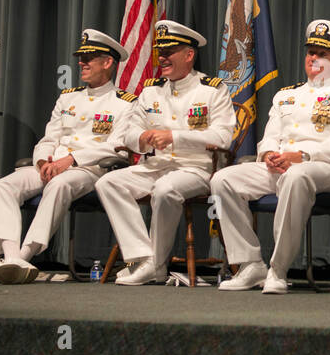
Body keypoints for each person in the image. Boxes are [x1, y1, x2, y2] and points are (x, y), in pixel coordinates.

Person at [211, 20, 330, 294]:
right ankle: (250, 264)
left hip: (325, 170)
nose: (314, 59)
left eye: (323, 54)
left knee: (297, 175)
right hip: (279, 167)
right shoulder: (286, 96)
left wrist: (303, 155)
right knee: (222, 179)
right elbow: (271, 135)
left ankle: (278, 269)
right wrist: (269, 153)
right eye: (311, 53)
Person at [0, 29, 136, 284]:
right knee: (2, 186)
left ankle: (25, 255)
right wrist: (43, 161)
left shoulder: (125, 103)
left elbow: (115, 147)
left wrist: (71, 160)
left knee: (59, 183)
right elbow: (48, 139)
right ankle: (11, 257)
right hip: (53, 164)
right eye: (81, 57)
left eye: (89, 58)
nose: (81, 63)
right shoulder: (68, 97)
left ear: (108, 62)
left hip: (89, 170)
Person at [95, 20, 236, 285]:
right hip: (155, 165)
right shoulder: (151, 91)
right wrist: (143, 138)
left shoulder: (212, 89)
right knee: (108, 183)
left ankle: (156, 264)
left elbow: (223, 137)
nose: (163, 58)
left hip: (195, 168)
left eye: (169, 52)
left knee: (164, 189)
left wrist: (175, 137)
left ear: (189, 55)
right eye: (161, 52)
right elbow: (128, 134)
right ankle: (142, 258)